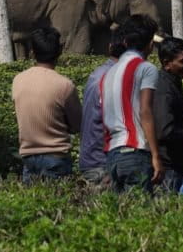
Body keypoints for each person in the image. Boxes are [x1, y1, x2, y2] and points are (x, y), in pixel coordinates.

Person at [101, 14, 163, 193]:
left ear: (125, 42)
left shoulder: (108, 73)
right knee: (142, 217)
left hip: (113, 153)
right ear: (151, 44)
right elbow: (146, 112)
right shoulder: (146, 68)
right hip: (136, 152)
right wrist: (156, 155)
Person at [12, 27, 82, 183]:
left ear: (32, 53)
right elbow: (78, 125)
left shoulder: (18, 81)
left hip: (28, 158)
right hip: (56, 158)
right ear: (59, 52)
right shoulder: (65, 85)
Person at [79, 29, 126, 186]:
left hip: (90, 160)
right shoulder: (118, 78)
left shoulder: (96, 74)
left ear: (110, 47)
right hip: (104, 164)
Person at [155, 36, 183, 193]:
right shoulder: (163, 89)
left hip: (177, 165)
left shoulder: (173, 82)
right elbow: (165, 130)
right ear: (167, 64)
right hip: (169, 168)